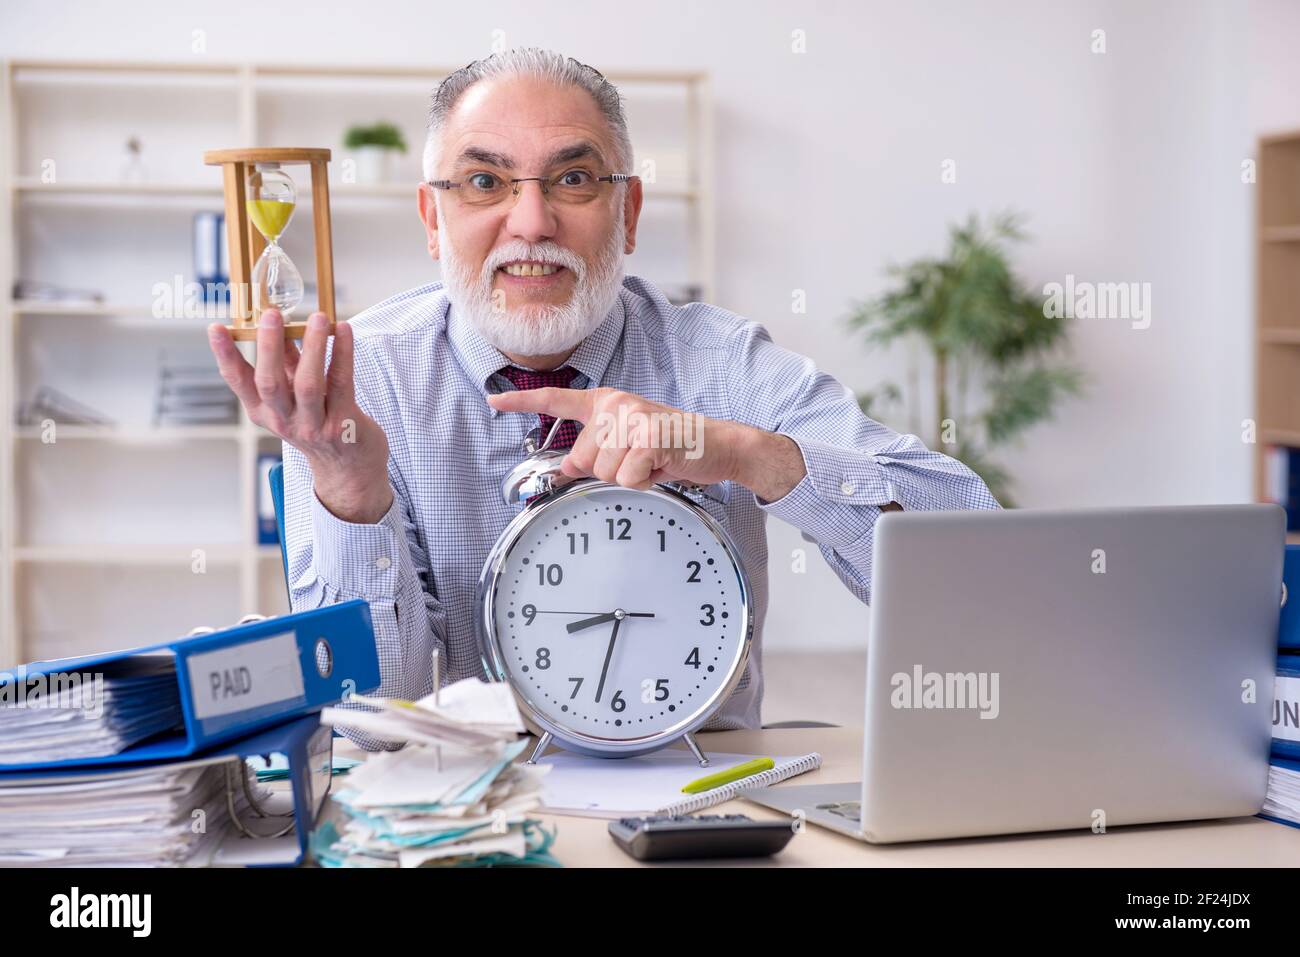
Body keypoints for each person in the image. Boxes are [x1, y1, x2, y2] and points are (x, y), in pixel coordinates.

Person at [208, 48, 998, 750]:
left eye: (573, 179)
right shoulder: (357, 382)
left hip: (693, 808)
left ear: (628, 214)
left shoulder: (723, 364)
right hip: (450, 818)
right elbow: (374, 720)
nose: (531, 221)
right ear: (433, 218)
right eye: (485, 181)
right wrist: (350, 490)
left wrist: (743, 452)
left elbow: (980, 567)